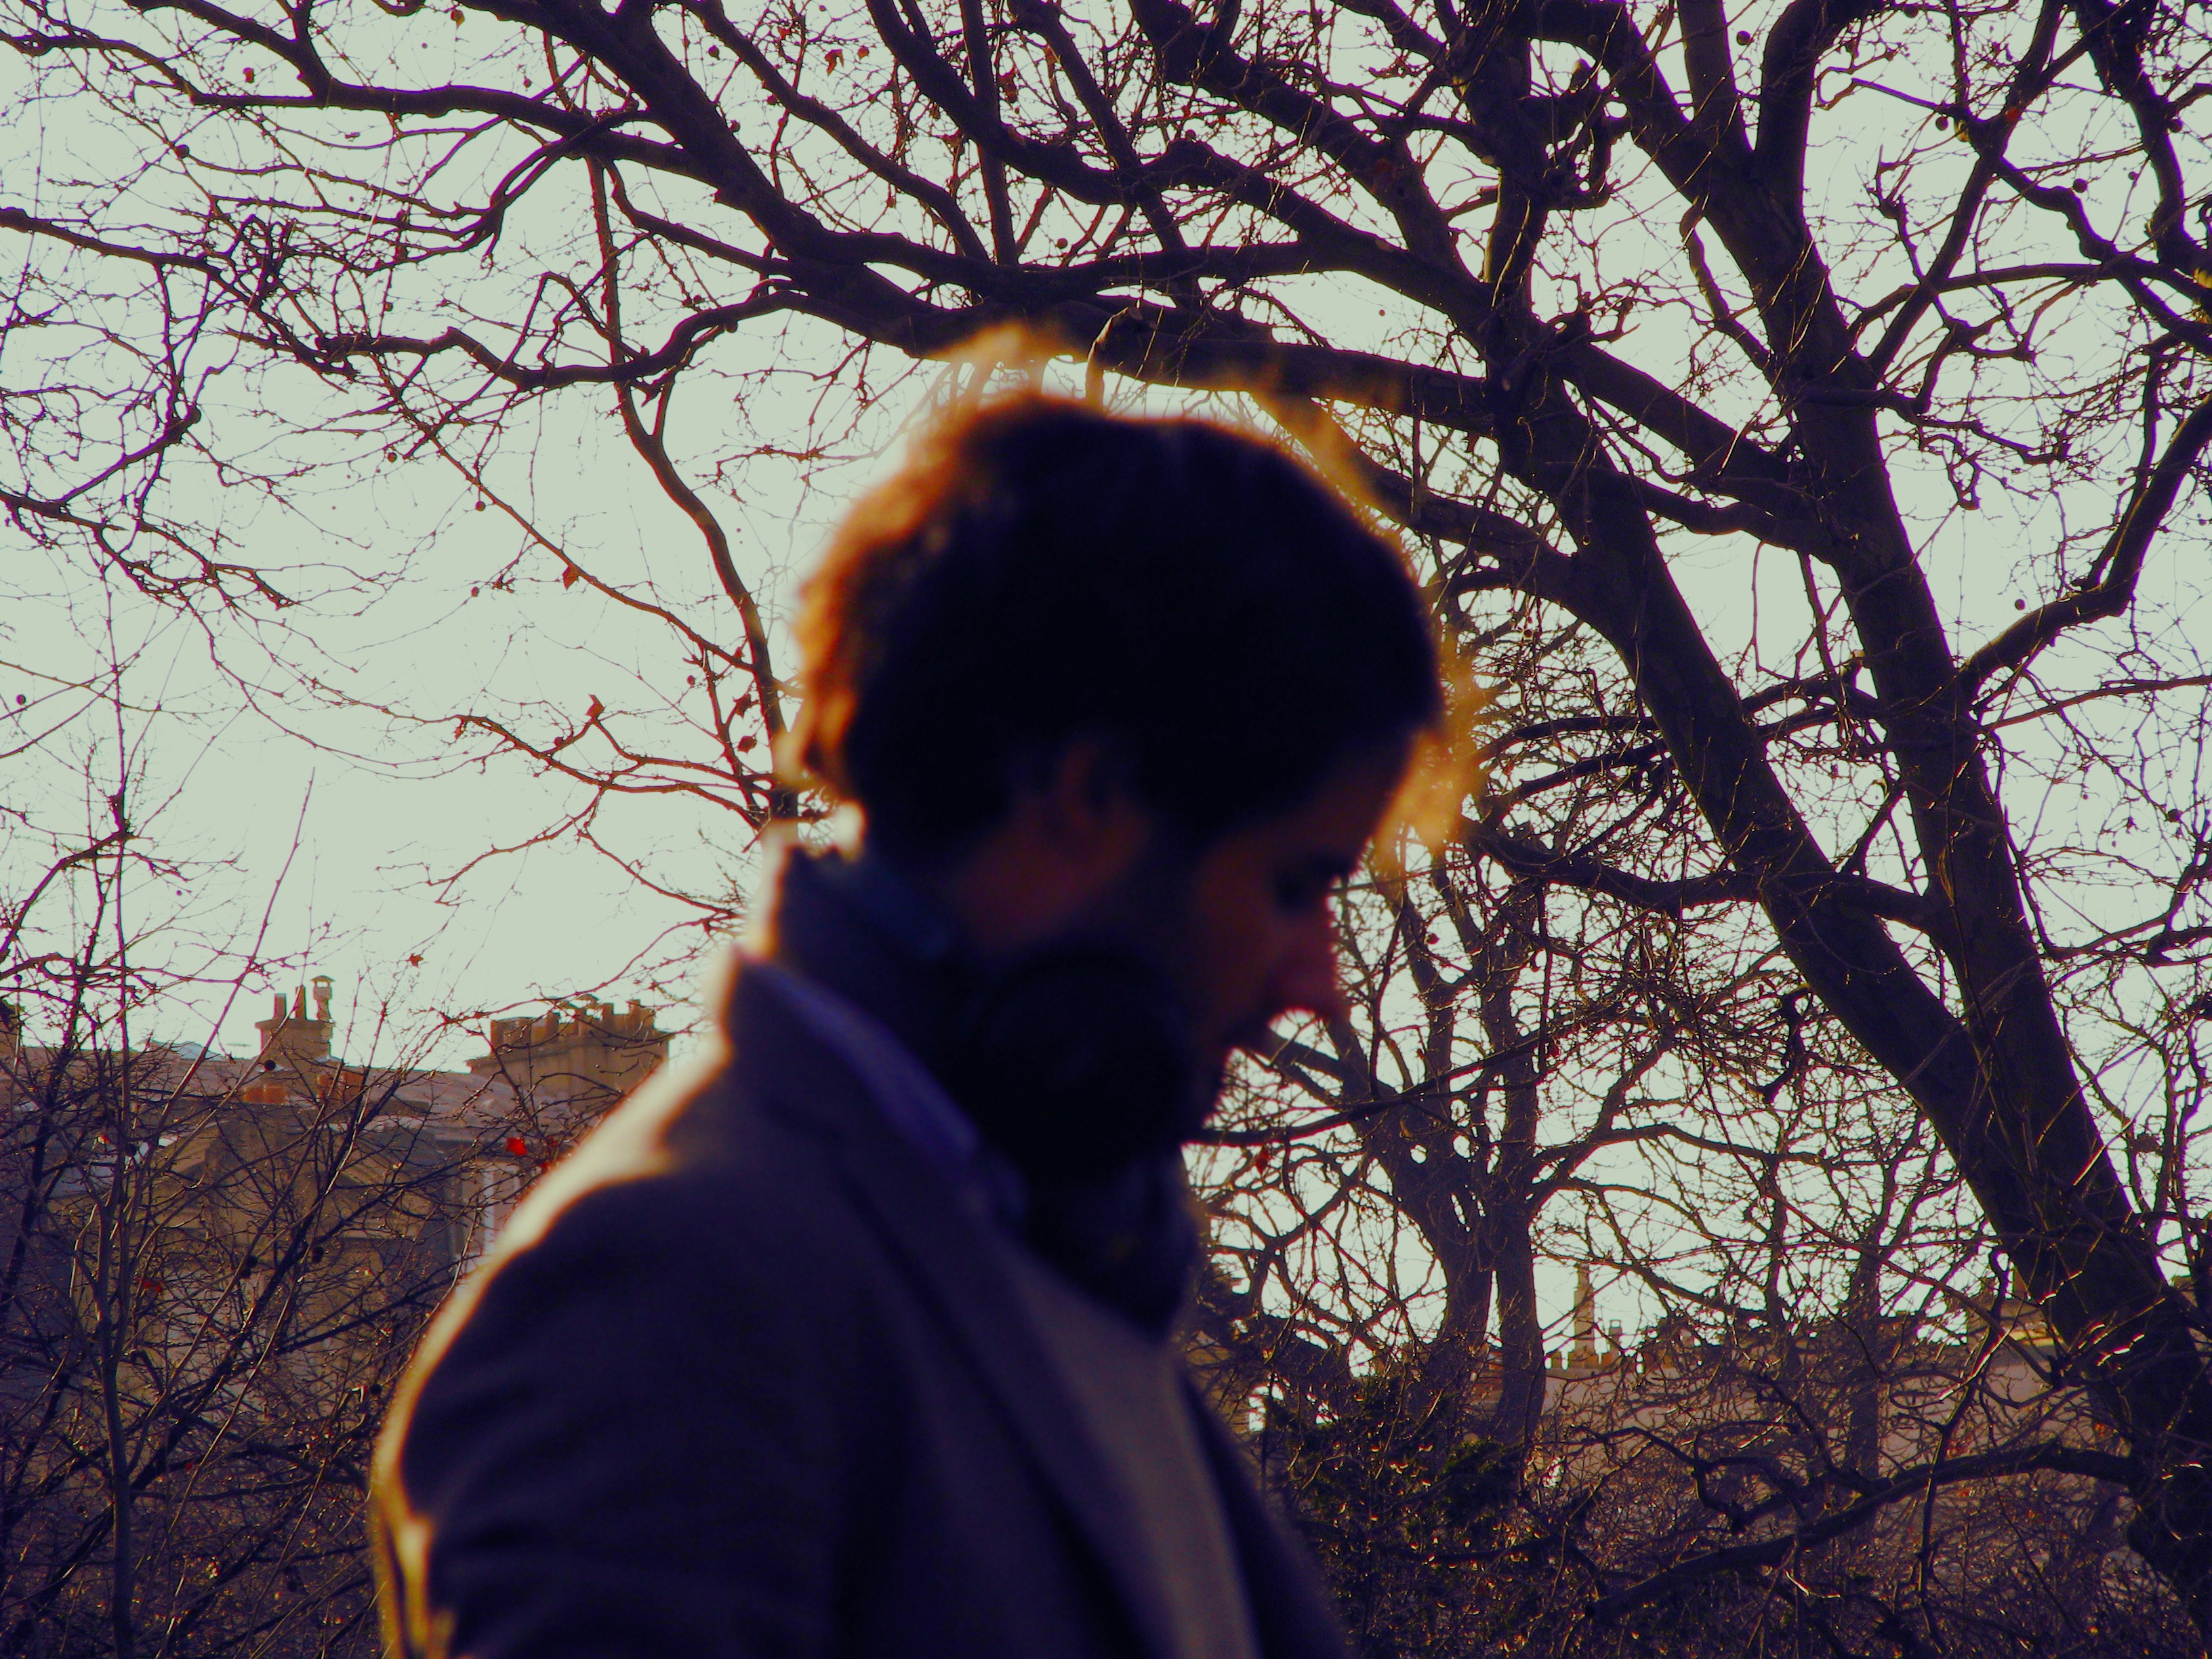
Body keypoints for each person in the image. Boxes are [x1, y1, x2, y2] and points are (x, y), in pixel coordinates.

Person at [371, 393, 1443, 1659]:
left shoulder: (1038, 1241)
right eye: (1295, 884)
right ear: (1086, 793)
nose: (1321, 979)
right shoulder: (672, 1295)